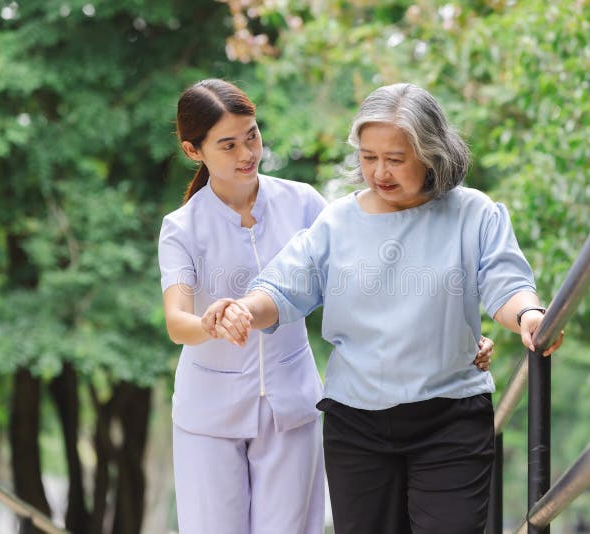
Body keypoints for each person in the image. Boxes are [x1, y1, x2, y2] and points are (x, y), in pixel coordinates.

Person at [203, 82, 564, 534]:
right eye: (368, 157)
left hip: (450, 418)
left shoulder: (474, 214)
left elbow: (505, 283)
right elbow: (282, 286)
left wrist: (530, 316)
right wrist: (241, 310)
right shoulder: (337, 222)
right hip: (356, 426)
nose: (379, 172)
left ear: (431, 154)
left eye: (395, 159)